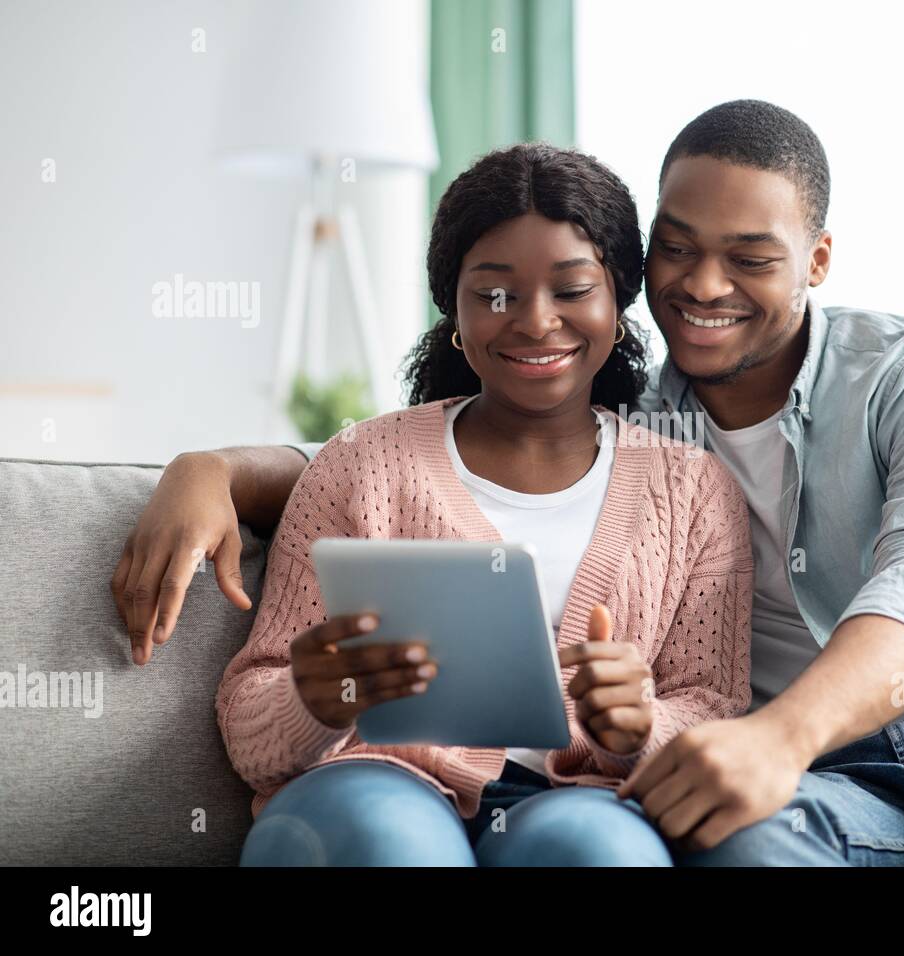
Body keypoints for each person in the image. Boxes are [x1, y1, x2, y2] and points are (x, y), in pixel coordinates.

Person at [115, 101, 904, 866]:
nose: (703, 286)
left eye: (750, 256)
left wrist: (771, 735)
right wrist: (213, 466)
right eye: (676, 248)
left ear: (816, 259)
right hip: (812, 797)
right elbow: (404, 463)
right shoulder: (634, 425)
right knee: (736, 842)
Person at [210, 142, 753, 865]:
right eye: (496, 293)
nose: (534, 321)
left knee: (601, 857)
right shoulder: (362, 464)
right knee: (387, 844)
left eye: (570, 290)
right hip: (376, 782)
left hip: (585, 800)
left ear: (617, 303)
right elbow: (252, 728)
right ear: (455, 312)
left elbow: (716, 712)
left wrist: (642, 726)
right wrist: (312, 699)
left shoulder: (694, 493)